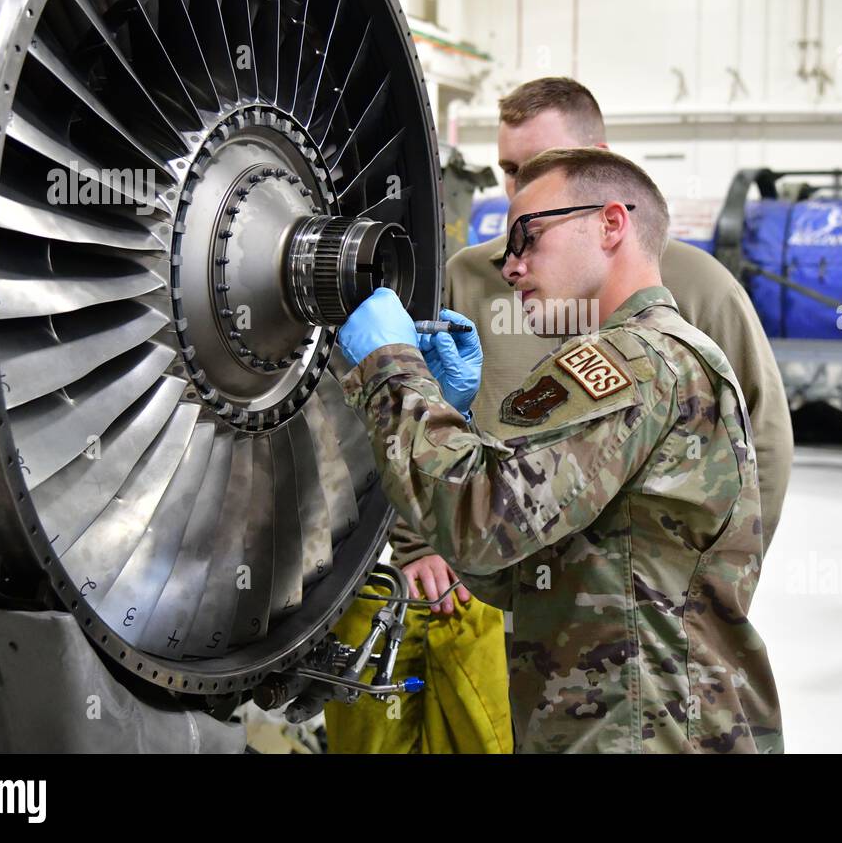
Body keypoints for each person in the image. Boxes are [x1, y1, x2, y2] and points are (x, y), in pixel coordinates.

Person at [332, 147, 783, 753]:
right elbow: (513, 565)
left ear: (611, 224)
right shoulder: (653, 359)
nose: (511, 266)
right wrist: (457, 417)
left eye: (529, 236)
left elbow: (482, 525)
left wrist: (391, 370)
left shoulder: (629, 365)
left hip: (636, 731)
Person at [392, 76, 792, 612]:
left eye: (539, 165)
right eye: (509, 169)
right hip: (500, 586)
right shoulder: (468, 276)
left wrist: (715, 584)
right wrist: (425, 542)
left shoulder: (697, 289)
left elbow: (760, 435)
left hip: (611, 618)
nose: (518, 185)